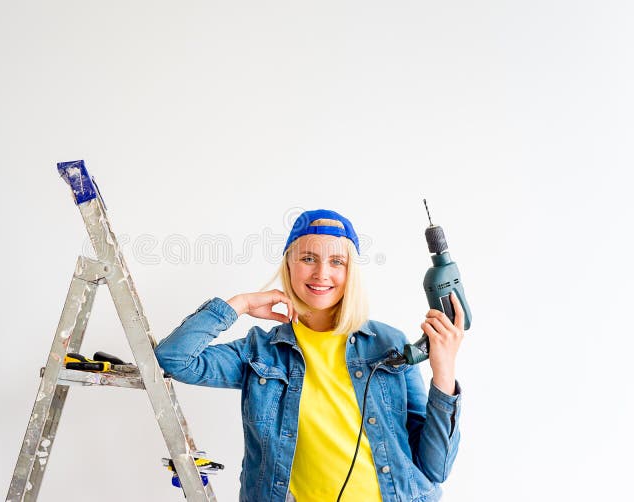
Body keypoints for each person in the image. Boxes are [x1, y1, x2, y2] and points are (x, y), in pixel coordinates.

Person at [155, 209, 464, 502]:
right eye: (308, 258)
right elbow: (174, 359)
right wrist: (241, 304)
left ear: (350, 272)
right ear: (288, 265)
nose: (321, 273)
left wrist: (444, 371)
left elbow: (435, 468)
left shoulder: (389, 344)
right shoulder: (261, 352)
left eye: (336, 262)